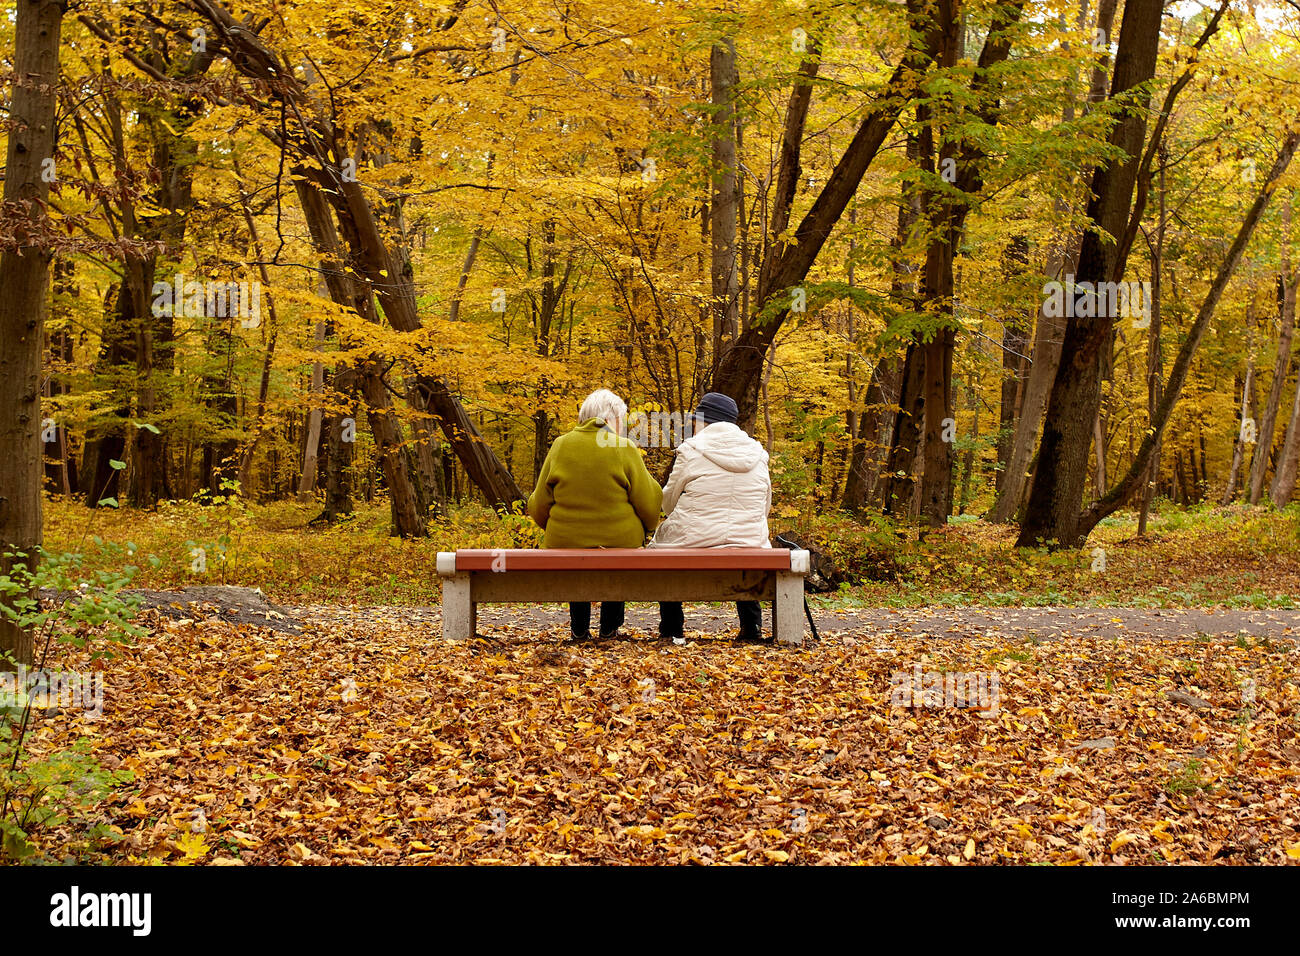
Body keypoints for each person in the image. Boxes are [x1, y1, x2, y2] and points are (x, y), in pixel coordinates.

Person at [528, 389, 662, 640]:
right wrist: (646, 526)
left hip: (566, 544)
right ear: (613, 418)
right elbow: (648, 503)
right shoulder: (624, 447)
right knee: (619, 556)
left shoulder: (560, 445)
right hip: (620, 545)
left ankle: (579, 629)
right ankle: (610, 628)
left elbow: (539, 504)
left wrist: (557, 525)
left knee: (576, 560)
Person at [650, 392, 772, 642]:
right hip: (749, 542)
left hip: (695, 540)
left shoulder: (691, 450)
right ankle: (752, 627)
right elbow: (764, 506)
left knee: (665, 545)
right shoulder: (758, 454)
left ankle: (672, 628)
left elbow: (668, 503)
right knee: (746, 542)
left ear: (704, 420)